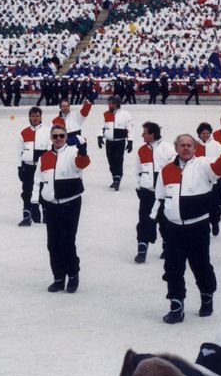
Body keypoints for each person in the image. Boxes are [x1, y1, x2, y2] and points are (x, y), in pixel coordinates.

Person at [152, 133, 221, 323]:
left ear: (195, 148)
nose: (185, 148)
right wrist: (155, 223)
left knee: (200, 265)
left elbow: (218, 168)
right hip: (174, 228)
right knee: (173, 268)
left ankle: (207, 295)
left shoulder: (203, 165)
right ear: (176, 148)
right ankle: (176, 305)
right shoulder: (166, 170)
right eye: (182, 145)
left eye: (189, 145)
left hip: (197, 227)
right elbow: (159, 199)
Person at [34, 124, 90, 293]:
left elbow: (82, 164)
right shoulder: (44, 158)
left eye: (61, 136)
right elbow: (38, 181)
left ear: (66, 137)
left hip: (70, 203)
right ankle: (58, 277)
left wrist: (82, 149)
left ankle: (73, 274)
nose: (58, 139)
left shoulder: (72, 153)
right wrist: (34, 203)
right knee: (52, 243)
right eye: (55, 136)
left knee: (67, 241)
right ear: (51, 139)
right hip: (51, 206)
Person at [133, 121, 176, 264]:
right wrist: (138, 186)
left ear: (152, 134)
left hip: (164, 194)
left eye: (144, 132)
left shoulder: (167, 148)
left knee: (165, 221)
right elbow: (137, 170)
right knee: (144, 221)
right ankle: (142, 249)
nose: (142, 135)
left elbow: (174, 169)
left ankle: (167, 245)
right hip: (147, 192)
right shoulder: (141, 150)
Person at [17, 106, 49, 226]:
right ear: (29, 117)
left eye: (37, 116)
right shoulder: (24, 132)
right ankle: (27, 216)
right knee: (27, 191)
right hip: (28, 167)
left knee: (43, 190)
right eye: (33, 116)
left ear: (41, 117)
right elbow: (20, 151)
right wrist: (19, 167)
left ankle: (46, 214)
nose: (35, 118)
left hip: (42, 167)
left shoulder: (47, 131)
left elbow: (51, 149)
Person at [195, 122, 221, 237]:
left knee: (215, 204)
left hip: (214, 179)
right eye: (203, 133)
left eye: (208, 133)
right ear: (199, 134)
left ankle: (215, 222)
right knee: (201, 204)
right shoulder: (194, 145)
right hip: (199, 180)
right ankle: (204, 226)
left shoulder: (217, 145)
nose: (205, 135)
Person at [98, 95, 134, 191]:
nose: (110, 105)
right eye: (109, 103)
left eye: (112, 103)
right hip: (109, 142)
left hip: (120, 142)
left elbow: (130, 129)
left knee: (118, 160)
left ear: (118, 104)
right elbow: (101, 127)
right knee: (111, 161)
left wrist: (130, 142)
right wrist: (99, 137)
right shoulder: (105, 114)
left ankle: (117, 179)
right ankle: (115, 178)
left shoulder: (125, 115)